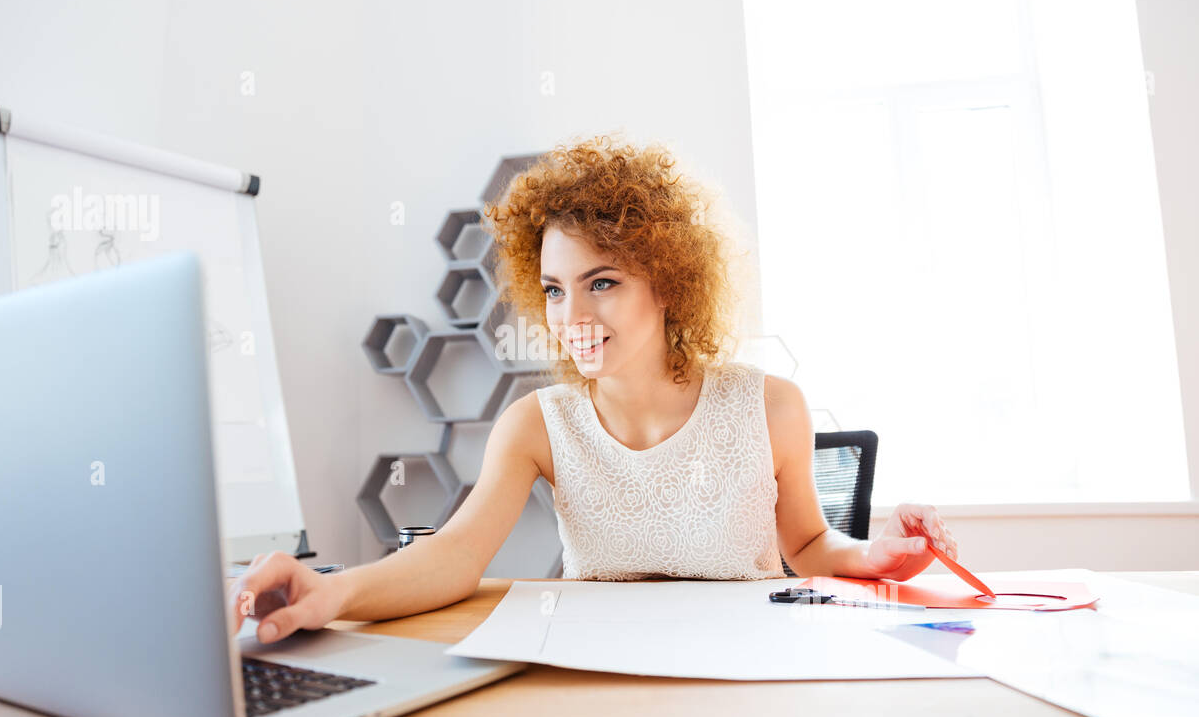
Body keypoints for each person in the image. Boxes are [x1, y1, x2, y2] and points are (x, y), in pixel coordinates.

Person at [229, 134, 959, 643]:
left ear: (668, 284)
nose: (571, 317)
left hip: (748, 663)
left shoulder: (769, 407)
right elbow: (456, 554)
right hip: (599, 667)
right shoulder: (537, 424)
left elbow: (805, 542)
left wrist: (873, 555)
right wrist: (337, 591)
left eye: (601, 283)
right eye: (553, 289)